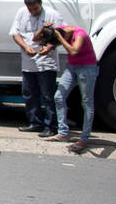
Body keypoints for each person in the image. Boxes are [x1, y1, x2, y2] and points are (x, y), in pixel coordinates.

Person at [36, 23, 99, 153]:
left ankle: (84, 138)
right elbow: (35, 38)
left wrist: (60, 38)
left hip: (87, 68)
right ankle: (63, 133)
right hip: (72, 67)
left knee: (87, 103)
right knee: (58, 97)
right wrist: (44, 30)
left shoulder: (80, 34)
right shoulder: (60, 29)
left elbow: (74, 51)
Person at [10, 0, 63, 136]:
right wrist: (26, 47)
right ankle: (35, 122)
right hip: (28, 61)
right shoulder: (21, 13)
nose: (33, 12)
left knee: (48, 95)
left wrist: (50, 47)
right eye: (30, 9)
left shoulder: (53, 15)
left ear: (41, 4)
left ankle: (51, 126)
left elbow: (61, 36)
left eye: (36, 9)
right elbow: (15, 33)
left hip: (46, 60)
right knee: (29, 93)